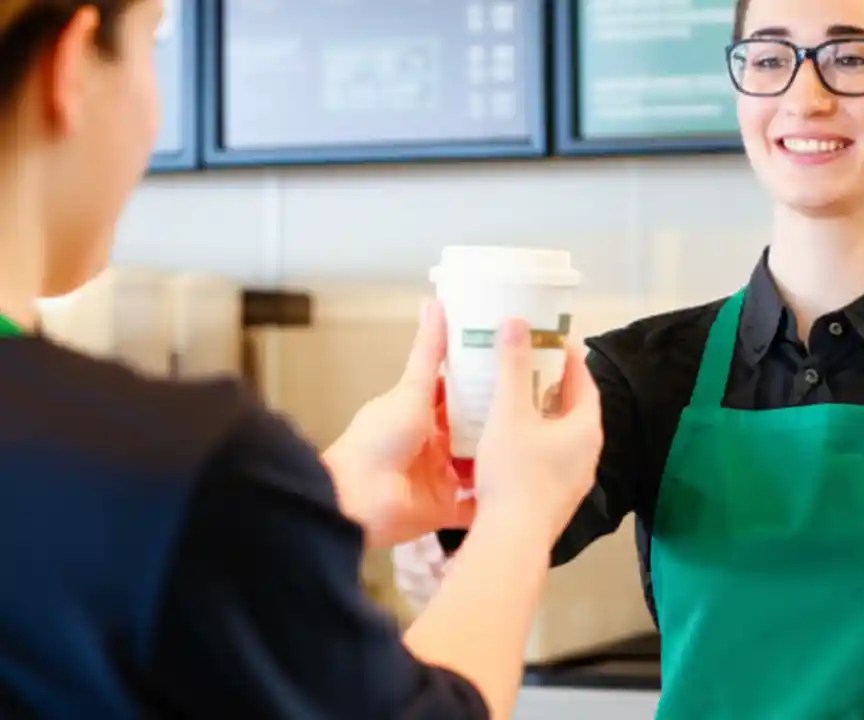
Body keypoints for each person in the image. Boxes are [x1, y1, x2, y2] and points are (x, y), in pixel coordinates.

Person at [416, 0, 864, 717]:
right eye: (769, 59)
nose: (805, 97)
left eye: (851, 58)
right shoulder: (643, 378)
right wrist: (442, 515)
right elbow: (501, 535)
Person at [0, 1, 604, 718]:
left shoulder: (143, 482)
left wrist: (314, 503)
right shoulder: (177, 465)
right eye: (151, 45)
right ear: (70, 69)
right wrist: (519, 517)